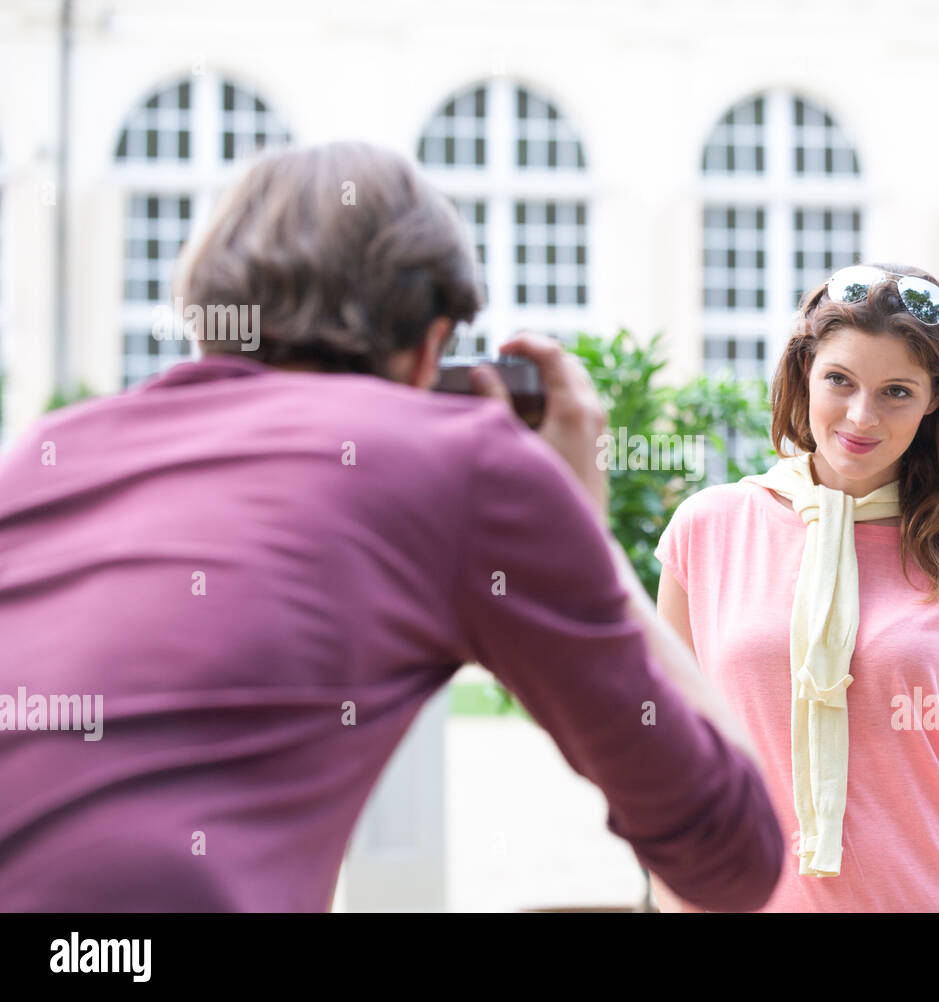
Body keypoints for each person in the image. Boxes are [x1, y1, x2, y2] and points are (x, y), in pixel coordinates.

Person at [0, 141, 784, 912]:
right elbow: (733, 853)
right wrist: (589, 538)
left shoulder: (48, 451)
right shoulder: (462, 463)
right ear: (431, 347)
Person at [648, 264, 939, 912]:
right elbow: (671, 774)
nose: (862, 416)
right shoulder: (707, 531)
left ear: (935, 397)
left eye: (896, 391)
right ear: (805, 370)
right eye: (840, 380)